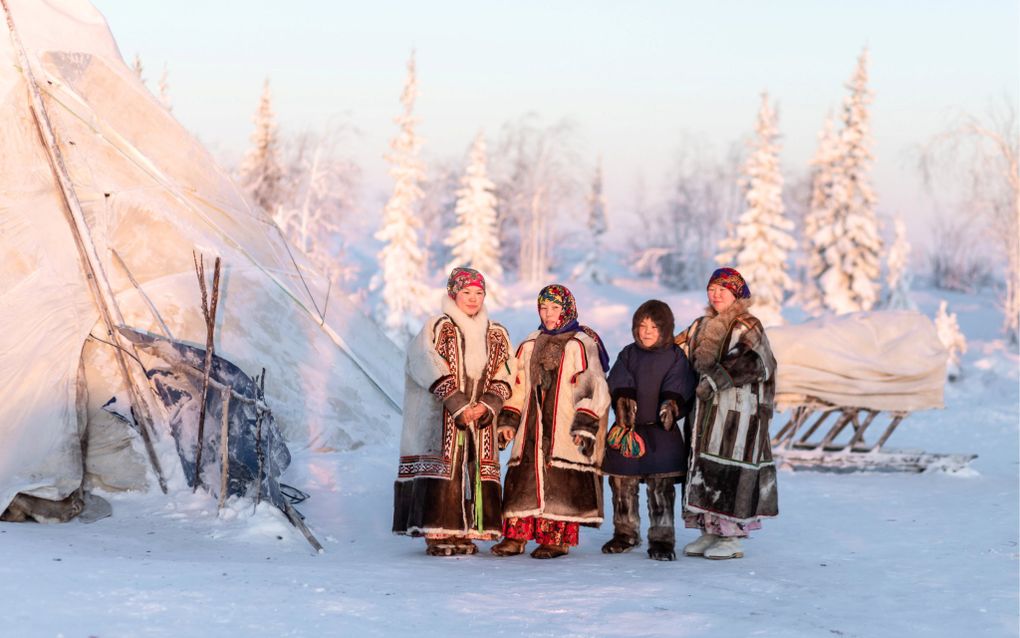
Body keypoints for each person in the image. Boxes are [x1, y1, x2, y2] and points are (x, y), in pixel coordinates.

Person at [392, 267, 515, 556]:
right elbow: (422, 361)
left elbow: (508, 369)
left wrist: (489, 403)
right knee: (443, 468)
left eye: (478, 293)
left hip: (481, 420)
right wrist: (456, 401)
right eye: (466, 293)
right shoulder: (438, 327)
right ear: (453, 294)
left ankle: (464, 531)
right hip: (439, 417)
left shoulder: (496, 333)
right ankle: (437, 532)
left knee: (472, 469)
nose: (473, 299)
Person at [491, 284, 611, 559]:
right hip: (531, 427)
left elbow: (593, 385)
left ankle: (556, 539)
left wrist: (585, 421)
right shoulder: (531, 343)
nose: (548, 314)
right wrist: (509, 419)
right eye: (543, 308)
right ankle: (515, 536)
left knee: (559, 481)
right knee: (524, 478)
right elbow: (517, 385)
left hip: (564, 428)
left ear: (567, 309)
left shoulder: (581, 344)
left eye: (554, 308)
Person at [675, 267, 779, 560]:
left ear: (737, 293)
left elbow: (758, 361)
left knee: (730, 468)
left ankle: (731, 536)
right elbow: (675, 352)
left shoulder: (748, 325)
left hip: (739, 415)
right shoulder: (700, 325)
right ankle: (710, 530)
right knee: (704, 468)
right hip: (705, 414)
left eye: (723, 289)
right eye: (712, 289)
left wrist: (714, 379)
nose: (716, 294)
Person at [601, 300, 696, 561]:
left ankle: (662, 539)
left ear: (665, 329)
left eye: (653, 326)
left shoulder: (675, 356)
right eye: (642, 326)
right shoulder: (629, 354)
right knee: (621, 484)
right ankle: (625, 532)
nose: (646, 331)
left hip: (660, 433)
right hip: (628, 430)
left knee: (661, 487)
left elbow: (681, 383)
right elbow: (619, 379)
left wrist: (672, 403)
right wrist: (623, 400)